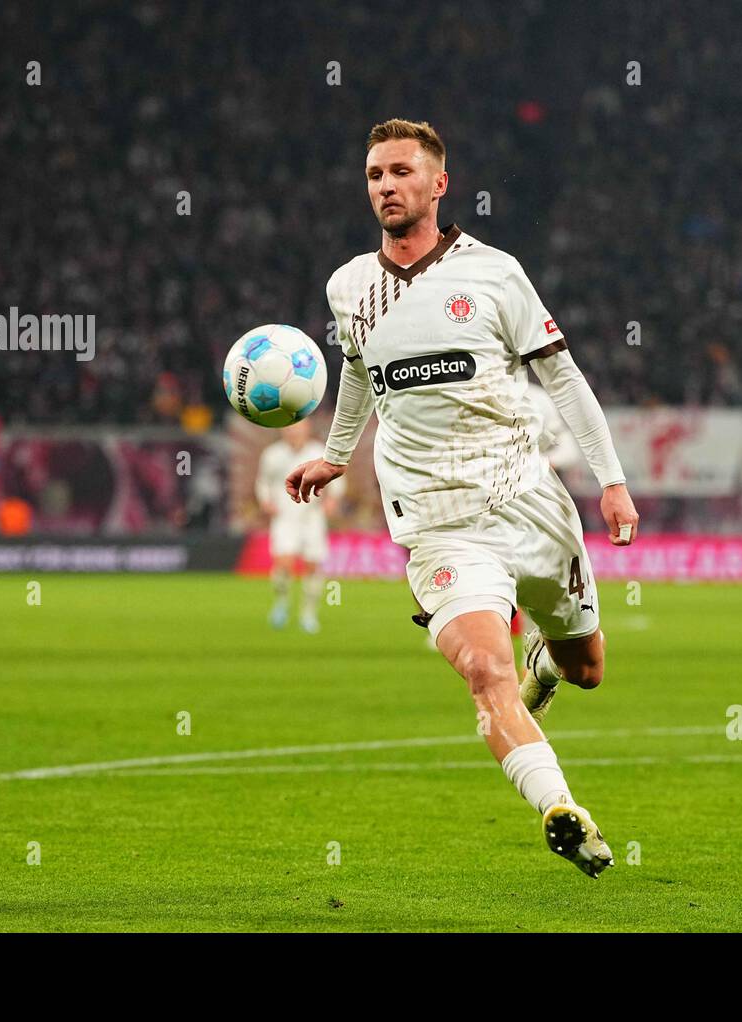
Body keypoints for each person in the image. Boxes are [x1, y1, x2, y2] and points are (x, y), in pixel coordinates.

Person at [285, 118, 639, 878]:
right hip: (438, 524)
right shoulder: (350, 286)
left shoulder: (495, 274)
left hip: (528, 502)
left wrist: (610, 480)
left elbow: (563, 379)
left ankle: (549, 664)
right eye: (376, 173)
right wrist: (336, 456)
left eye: (402, 172)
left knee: (587, 671)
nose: (386, 185)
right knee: (485, 671)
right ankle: (561, 809)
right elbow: (356, 372)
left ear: (438, 184)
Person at [256, 420, 341, 633]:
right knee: (283, 563)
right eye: (290, 428)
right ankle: (282, 602)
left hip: (312, 517)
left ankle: (308, 613)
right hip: (284, 517)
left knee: (312, 565)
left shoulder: (319, 452)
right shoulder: (272, 454)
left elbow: (336, 480)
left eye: (298, 428)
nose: (293, 432)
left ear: (307, 428)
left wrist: (332, 499)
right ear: (282, 430)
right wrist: (265, 500)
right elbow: (263, 482)